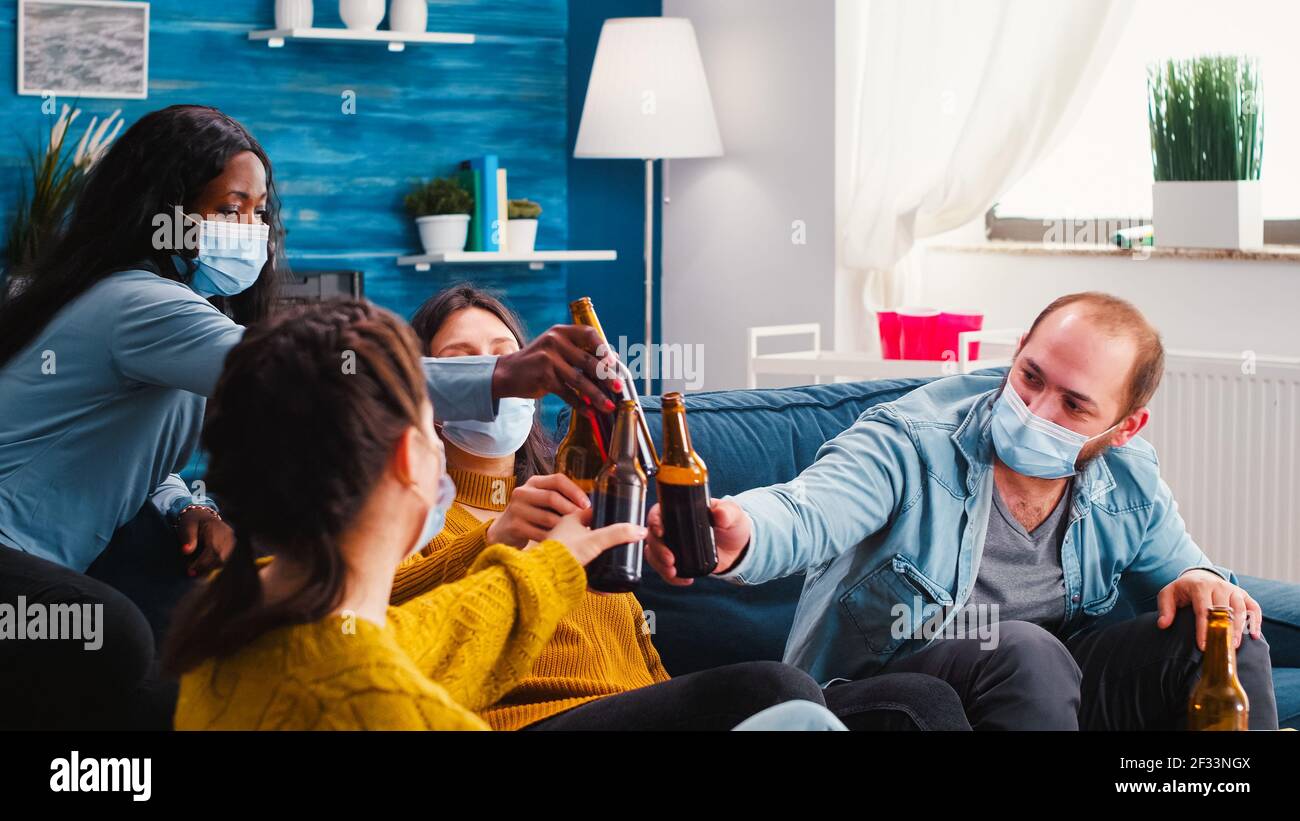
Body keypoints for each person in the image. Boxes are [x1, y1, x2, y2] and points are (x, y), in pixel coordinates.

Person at [0, 105, 622, 728]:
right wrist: (509, 374)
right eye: (227, 208)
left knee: (198, 633)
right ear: (160, 211)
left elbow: (124, 439)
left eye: (256, 211)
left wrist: (185, 505)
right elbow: (319, 374)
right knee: (118, 640)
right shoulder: (138, 304)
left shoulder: (160, 311)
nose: (249, 228)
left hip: (65, 557)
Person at [166, 299, 842, 732]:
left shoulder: (240, 630)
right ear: (412, 451)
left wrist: (558, 561)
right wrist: (503, 543)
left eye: (505, 355)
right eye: (459, 371)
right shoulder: (389, 703)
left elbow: (424, 633)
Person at [647, 291, 1278, 730]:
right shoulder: (912, 439)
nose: (1037, 410)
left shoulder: (1128, 479)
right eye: (1030, 377)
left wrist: (1202, 580)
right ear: (1019, 348)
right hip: (891, 689)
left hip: (1043, 694)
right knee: (1028, 652)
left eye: (1074, 406)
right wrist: (741, 533)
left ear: (1124, 427)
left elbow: (1181, 572)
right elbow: (810, 509)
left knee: (1225, 636)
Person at [390, 285, 971, 731]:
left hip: (637, 704)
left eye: (503, 355)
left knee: (918, 701)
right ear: (433, 391)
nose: (501, 381)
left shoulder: (584, 491)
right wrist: (489, 545)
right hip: (529, 720)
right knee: (772, 689)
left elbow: (640, 644)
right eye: (465, 363)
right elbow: (379, 634)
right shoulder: (405, 515)